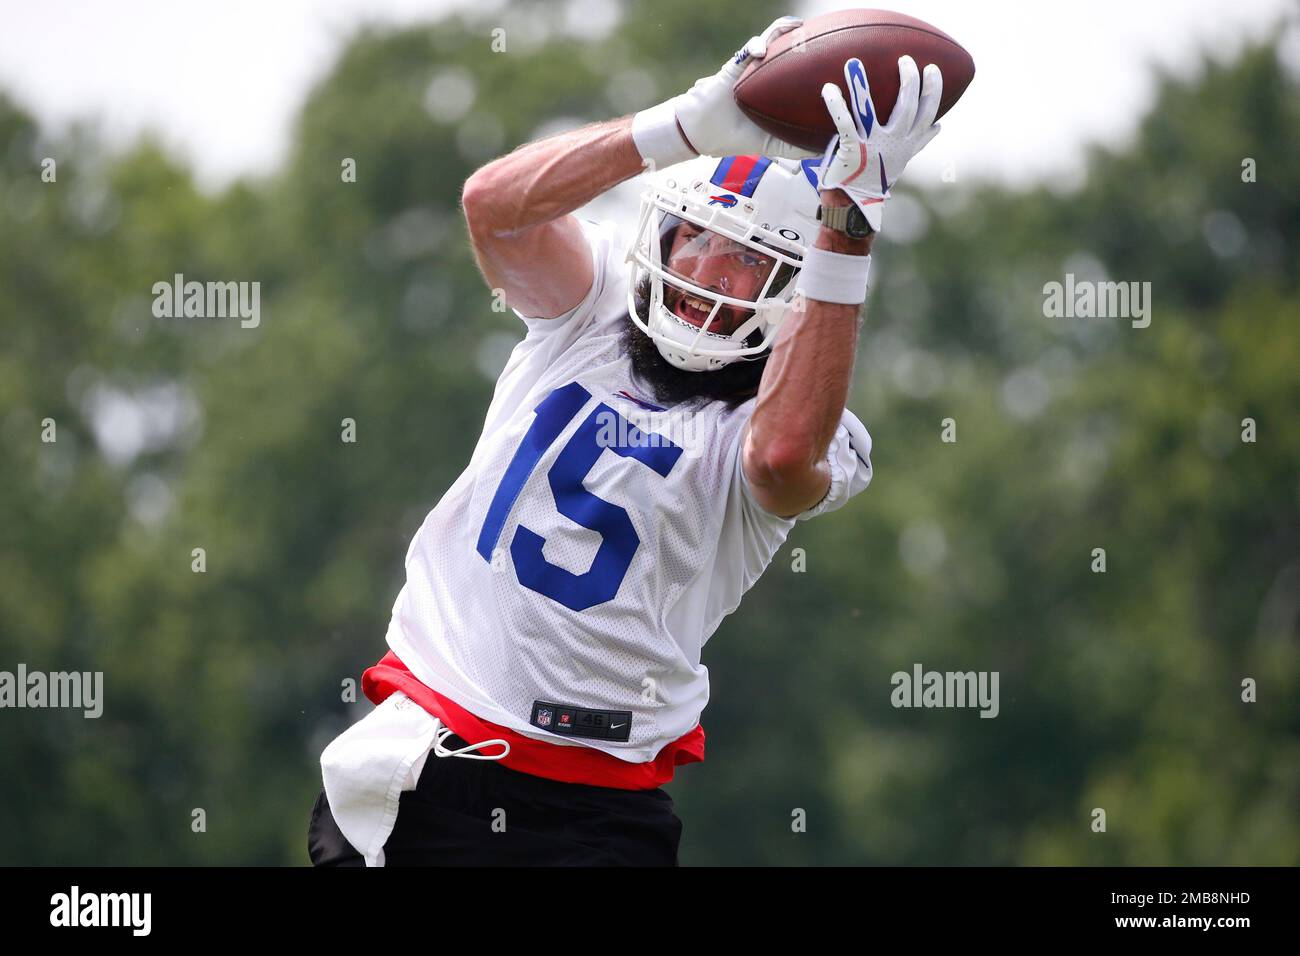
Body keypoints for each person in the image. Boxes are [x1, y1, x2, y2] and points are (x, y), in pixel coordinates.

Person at [307, 15, 945, 866]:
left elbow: (783, 457)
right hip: (431, 766)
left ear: (795, 293)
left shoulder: (789, 427)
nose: (704, 273)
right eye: (697, 238)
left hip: (601, 812)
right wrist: (683, 127)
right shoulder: (596, 305)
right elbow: (491, 210)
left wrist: (848, 225)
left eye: (743, 261)